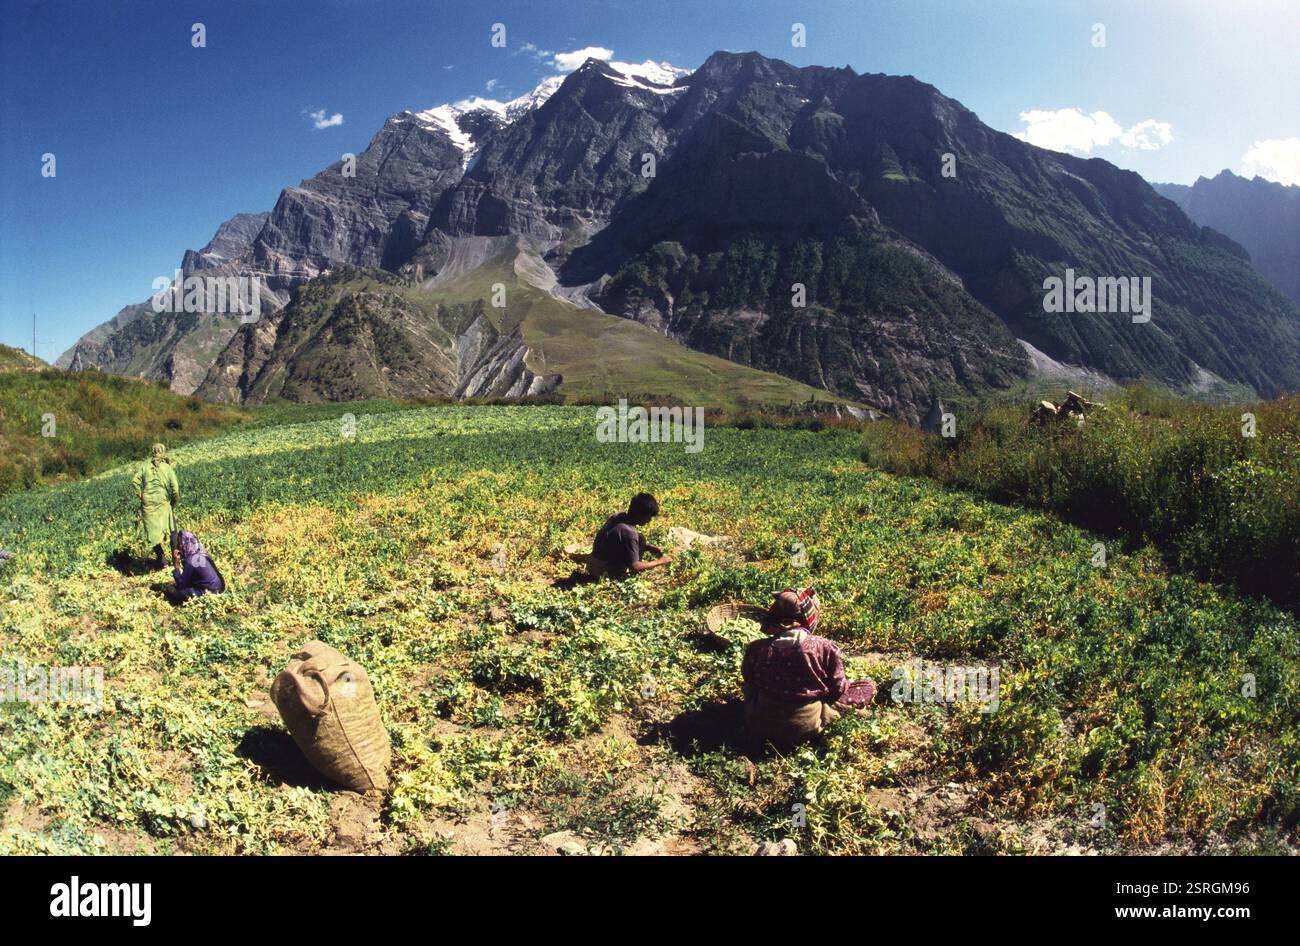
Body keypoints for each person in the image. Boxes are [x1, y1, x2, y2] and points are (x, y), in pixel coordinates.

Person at [741, 590, 876, 751]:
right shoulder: (823, 647)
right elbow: (838, 688)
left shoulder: (757, 648)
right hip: (805, 727)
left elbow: (749, 680)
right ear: (809, 618)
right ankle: (817, 717)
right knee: (867, 686)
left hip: (759, 721)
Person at [590, 492, 672, 577]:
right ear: (639, 514)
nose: (649, 520)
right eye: (648, 517)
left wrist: (647, 547)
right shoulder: (629, 532)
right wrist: (660, 561)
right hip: (601, 571)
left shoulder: (618, 516)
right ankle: (632, 574)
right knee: (637, 557)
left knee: (641, 538)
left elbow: (617, 540)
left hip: (593, 562)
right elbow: (635, 566)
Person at [132, 443, 180, 570]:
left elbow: (135, 481)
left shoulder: (144, 466)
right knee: (172, 530)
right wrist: (173, 504)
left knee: (152, 532)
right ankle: (176, 560)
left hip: (148, 503)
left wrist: (141, 495)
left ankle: (162, 560)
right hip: (163, 501)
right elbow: (175, 489)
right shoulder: (167, 468)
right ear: (164, 452)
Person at [165, 530, 225, 603]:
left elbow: (181, 585)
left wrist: (176, 565)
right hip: (220, 587)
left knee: (174, 592)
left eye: (180, 543)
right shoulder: (201, 552)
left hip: (211, 591)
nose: (179, 546)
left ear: (185, 543)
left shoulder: (192, 559)